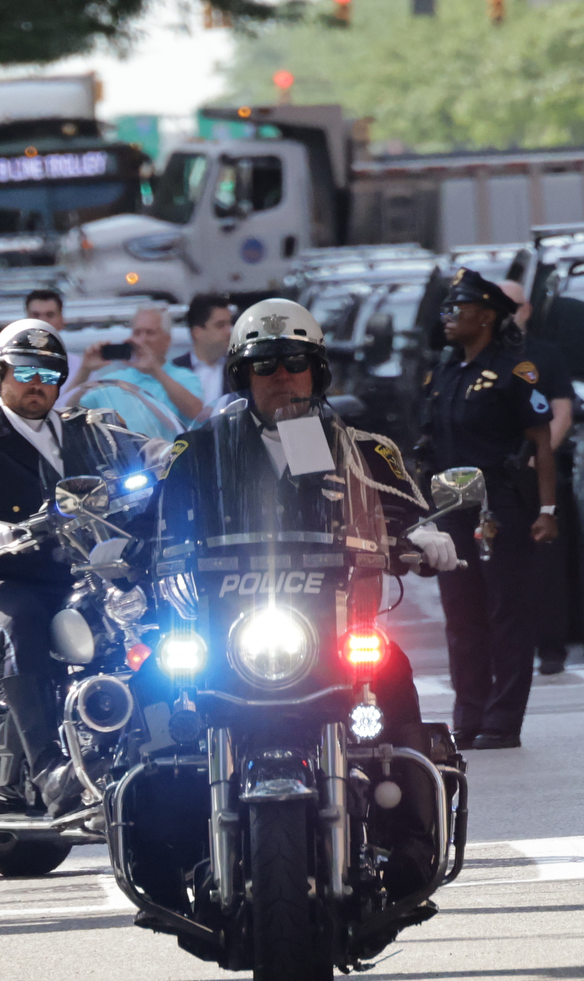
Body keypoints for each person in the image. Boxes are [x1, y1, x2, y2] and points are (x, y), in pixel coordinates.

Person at [153, 298, 458, 741]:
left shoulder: (361, 448)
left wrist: (423, 533)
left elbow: (401, 509)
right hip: (222, 624)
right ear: (243, 375)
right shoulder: (199, 449)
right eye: (264, 365)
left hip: (332, 619)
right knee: (152, 685)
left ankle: (412, 782)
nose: (282, 375)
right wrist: (122, 546)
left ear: (316, 371)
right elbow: (157, 519)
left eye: (295, 362)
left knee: (391, 673)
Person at [0, 320, 151, 819]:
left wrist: (186, 453)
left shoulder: (87, 431)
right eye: (24, 372)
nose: (36, 384)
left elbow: (142, 452)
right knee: (22, 616)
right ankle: (49, 767)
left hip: (80, 576)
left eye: (48, 374)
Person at [417, 269, 559, 749]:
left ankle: (503, 719)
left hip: (498, 506)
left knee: (506, 614)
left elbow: (541, 443)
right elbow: (428, 444)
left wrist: (547, 509)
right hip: (450, 507)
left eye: (457, 309)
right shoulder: (443, 372)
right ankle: (469, 714)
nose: (448, 318)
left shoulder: (516, 372)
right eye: (446, 309)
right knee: (461, 616)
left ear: (486, 316)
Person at [500, 279, 575, 677]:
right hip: (497, 477)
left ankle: (551, 648)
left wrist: (537, 457)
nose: (506, 315)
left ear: (526, 309)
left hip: (537, 473)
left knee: (546, 566)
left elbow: (562, 413)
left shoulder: (547, 355)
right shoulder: (483, 358)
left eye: (512, 307)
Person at [70, 305, 203, 441]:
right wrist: (84, 370)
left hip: (167, 452)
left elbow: (196, 413)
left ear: (167, 340)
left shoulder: (183, 377)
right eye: (137, 333)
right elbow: (66, 411)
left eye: (150, 333)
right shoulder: (113, 380)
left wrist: (156, 371)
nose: (142, 340)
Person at [173, 293, 236, 408]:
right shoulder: (174, 371)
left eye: (229, 324)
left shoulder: (238, 370)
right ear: (197, 332)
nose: (229, 331)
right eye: (220, 325)